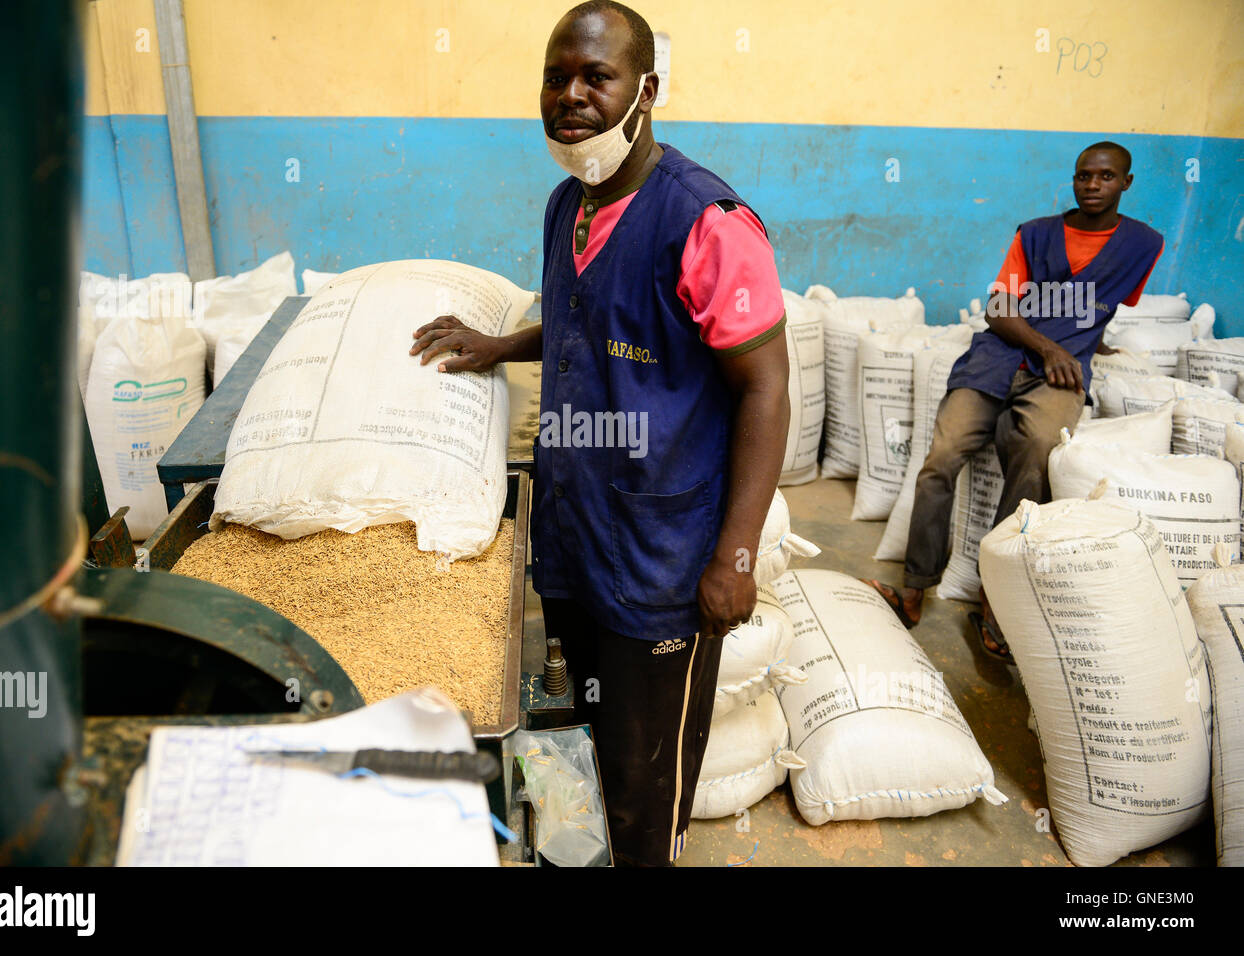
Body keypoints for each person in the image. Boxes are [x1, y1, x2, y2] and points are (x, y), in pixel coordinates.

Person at [409, 1, 790, 865]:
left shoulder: (706, 221)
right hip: (577, 532)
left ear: (647, 89)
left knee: (643, 770)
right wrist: (503, 345)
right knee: (577, 732)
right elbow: (585, 316)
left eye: (596, 77)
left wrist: (734, 557)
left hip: (663, 550)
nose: (570, 95)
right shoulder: (565, 206)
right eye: (556, 78)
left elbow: (767, 389)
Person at [864, 142, 1163, 662]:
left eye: (1106, 177)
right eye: (1083, 176)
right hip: (1001, 356)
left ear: (1126, 183)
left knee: (1036, 457)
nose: (1092, 185)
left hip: (1063, 369)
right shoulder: (1035, 234)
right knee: (941, 458)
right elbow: (999, 312)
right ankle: (914, 589)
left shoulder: (1143, 244)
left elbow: (1102, 303)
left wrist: (1086, 341)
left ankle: (995, 601)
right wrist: (1049, 345)